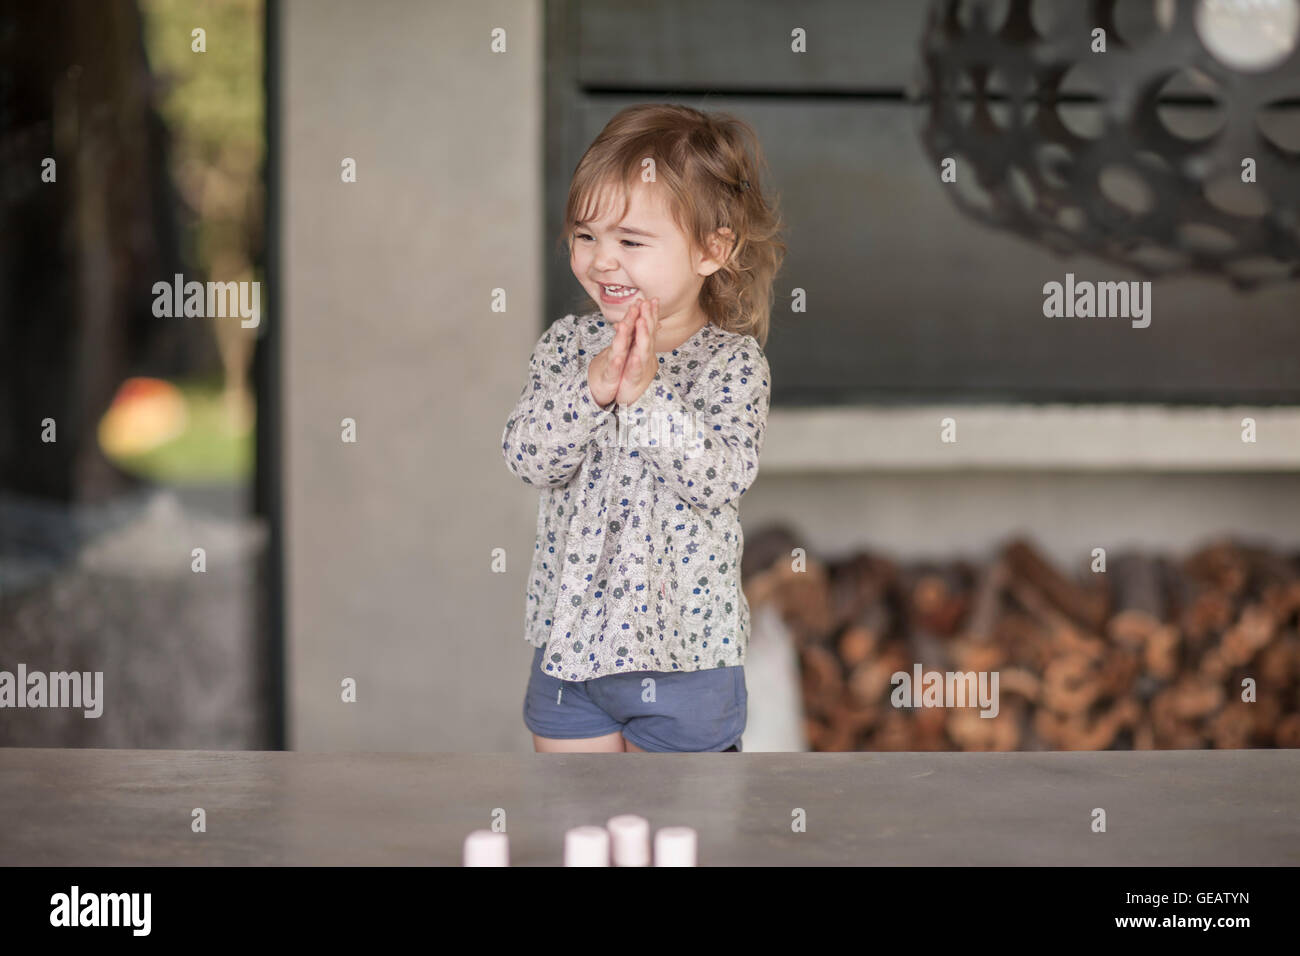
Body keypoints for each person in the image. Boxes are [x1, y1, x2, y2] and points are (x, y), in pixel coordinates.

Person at [501, 103, 785, 752]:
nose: (602, 261)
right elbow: (527, 457)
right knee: (583, 836)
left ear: (713, 249)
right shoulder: (569, 347)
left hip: (688, 658)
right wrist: (594, 388)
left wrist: (648, 396)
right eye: (584, 235)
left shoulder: (731, 363)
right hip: (572, 652)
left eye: (630, 241)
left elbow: (721, 477)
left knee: (678, 839)